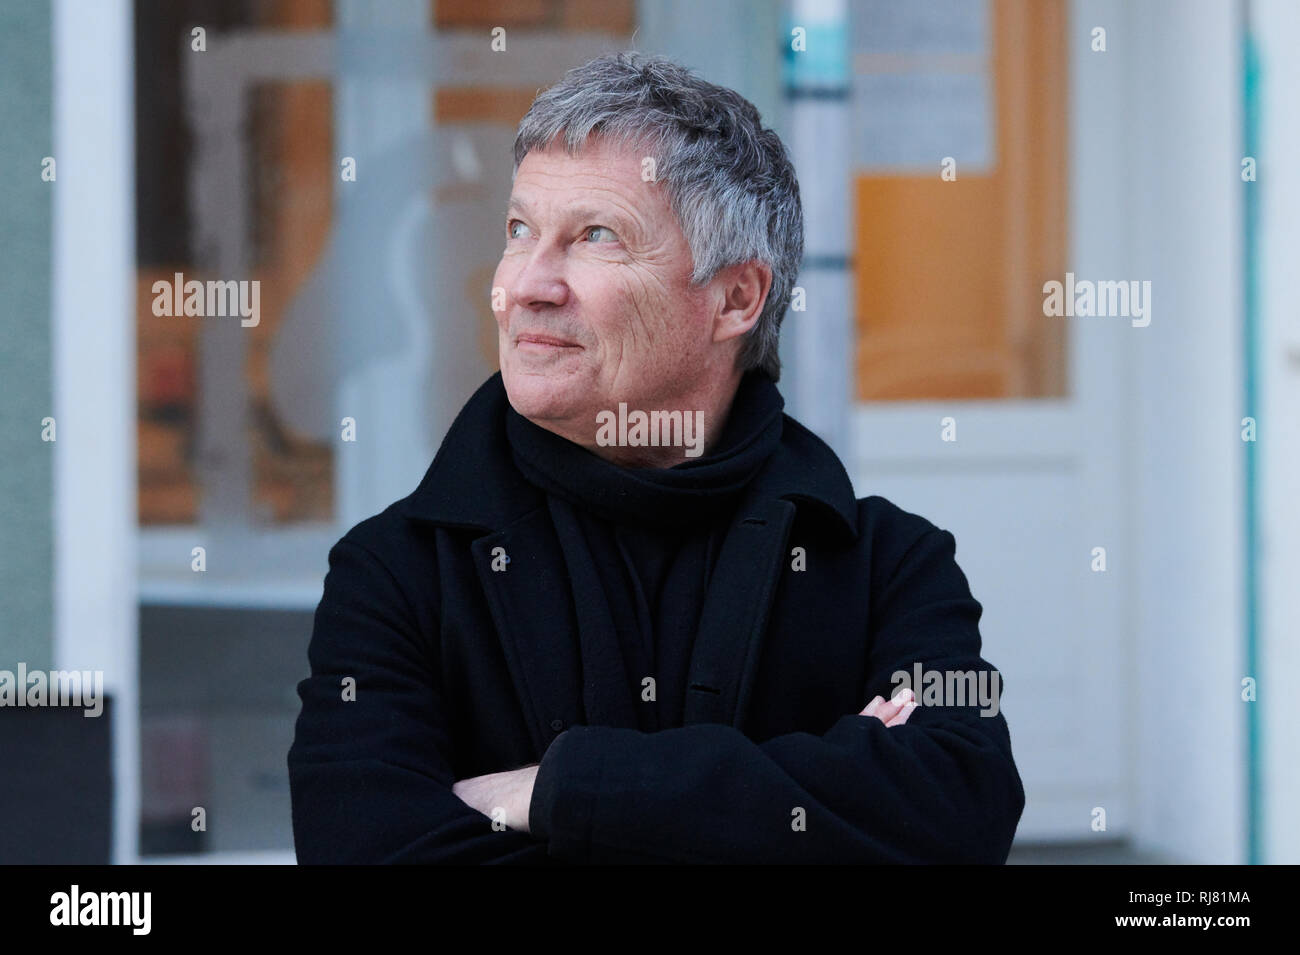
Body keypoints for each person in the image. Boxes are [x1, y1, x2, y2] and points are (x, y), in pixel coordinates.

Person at [287, 50, 1025, 864]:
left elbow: (961, 807)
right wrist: (802, 800)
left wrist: (559, 789)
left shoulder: (892, 567)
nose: (525, 284)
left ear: (736, 297)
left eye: (595, 236)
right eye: (520, 229)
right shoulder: (397, 576)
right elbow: (365, 851)